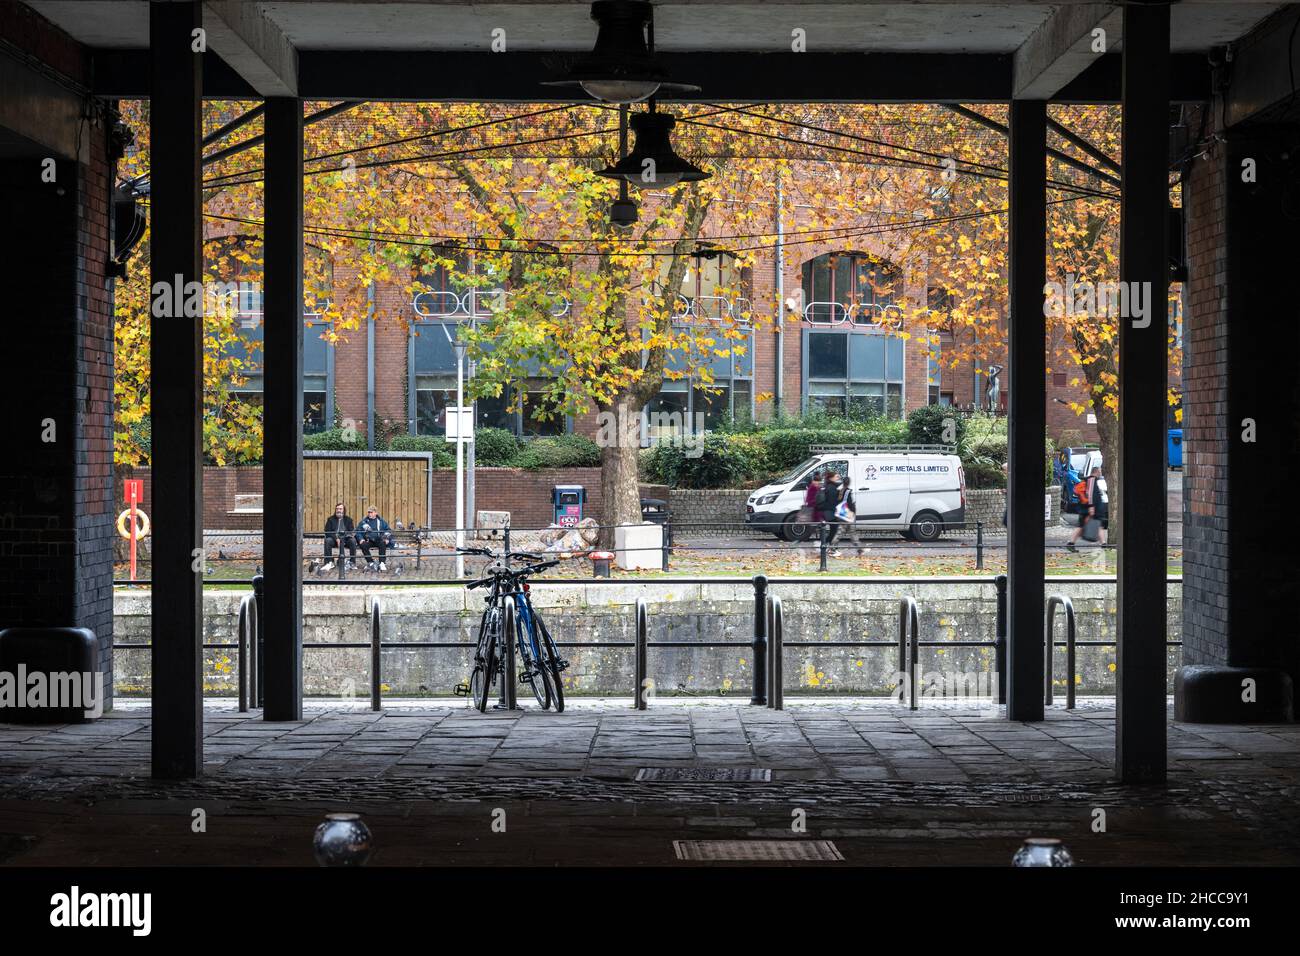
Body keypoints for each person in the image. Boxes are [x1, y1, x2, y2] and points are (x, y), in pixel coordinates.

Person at [1066, 466, 1107, 551]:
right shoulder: (1091, 480)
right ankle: (1071, 543)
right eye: (1100, 471)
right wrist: (1091, 506)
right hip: (1088, 508)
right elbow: (1090, 493)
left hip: (1091, 508)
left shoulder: (1093, 480)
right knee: (1082, 526)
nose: (1101, 473)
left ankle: (1103, 544)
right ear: (1096, 472)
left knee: (1098, 525)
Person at [817, 469, 855, 555]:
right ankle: (830, 548)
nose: (838, 477)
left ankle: (826, 546)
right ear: (831, 478)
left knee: (833, 531)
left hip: (829, 512)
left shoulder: (830, 486)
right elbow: (832, 502)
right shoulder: (832, 488)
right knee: (834, 531)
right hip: (830, 512)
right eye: (836, 476)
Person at [321, 503, 356, 571]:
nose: (338, 510)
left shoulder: (348, 520)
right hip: (334, 539)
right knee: (327, 540)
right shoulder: (330, 519)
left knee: (353, 541)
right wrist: (336, 538)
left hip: (345, 539)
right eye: (337, 509)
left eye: (340, 509)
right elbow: (327, 531)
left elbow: (351, 531)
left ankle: (352, 562)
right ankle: (329, 562)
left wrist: (343, 538)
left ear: (344, 510)